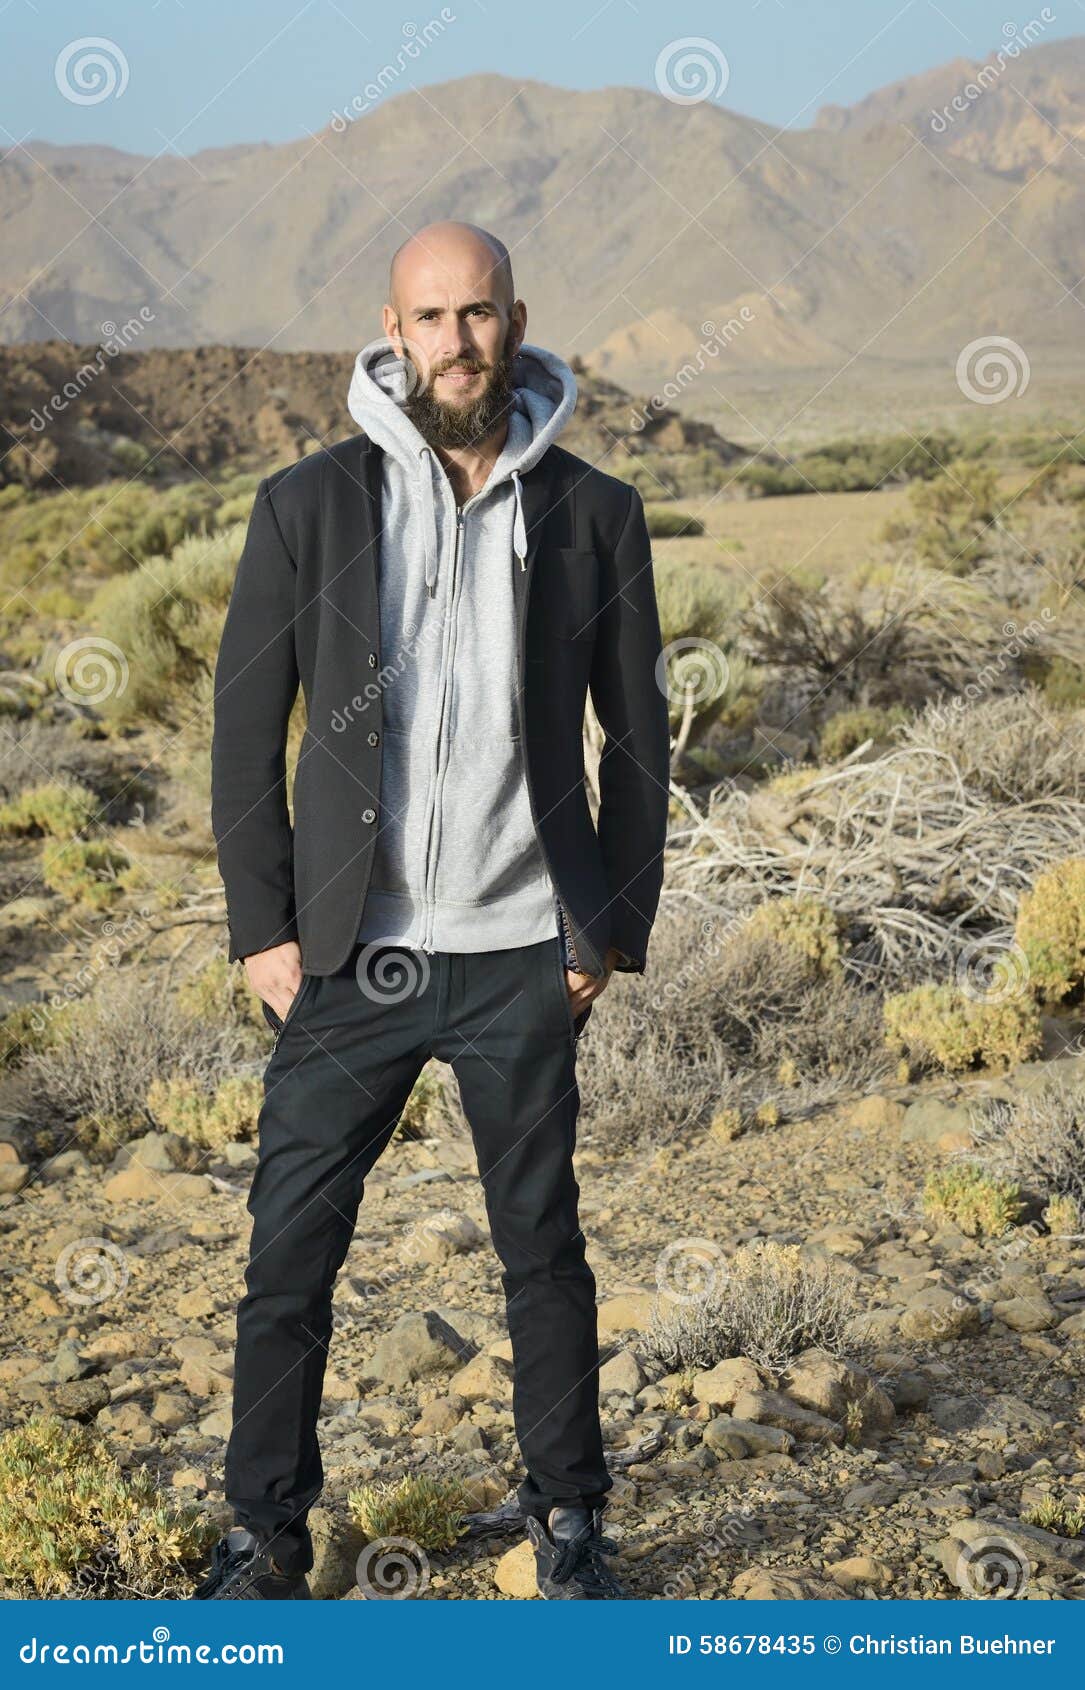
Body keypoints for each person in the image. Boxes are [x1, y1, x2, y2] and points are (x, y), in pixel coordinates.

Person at [198, 221, 670, 1600]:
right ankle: (263, 1533)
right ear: (391, 329)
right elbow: (244, 733)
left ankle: (569, 1515)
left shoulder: (592, 513)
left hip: (523, 952)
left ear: (515, 319)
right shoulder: (308, 506)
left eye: (478, 314)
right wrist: (264, 929)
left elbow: (638, 740)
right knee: (289, 1254)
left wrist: (607, 927)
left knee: (542, 1249)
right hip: (351, 956)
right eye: (431, 317)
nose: (456, 342)